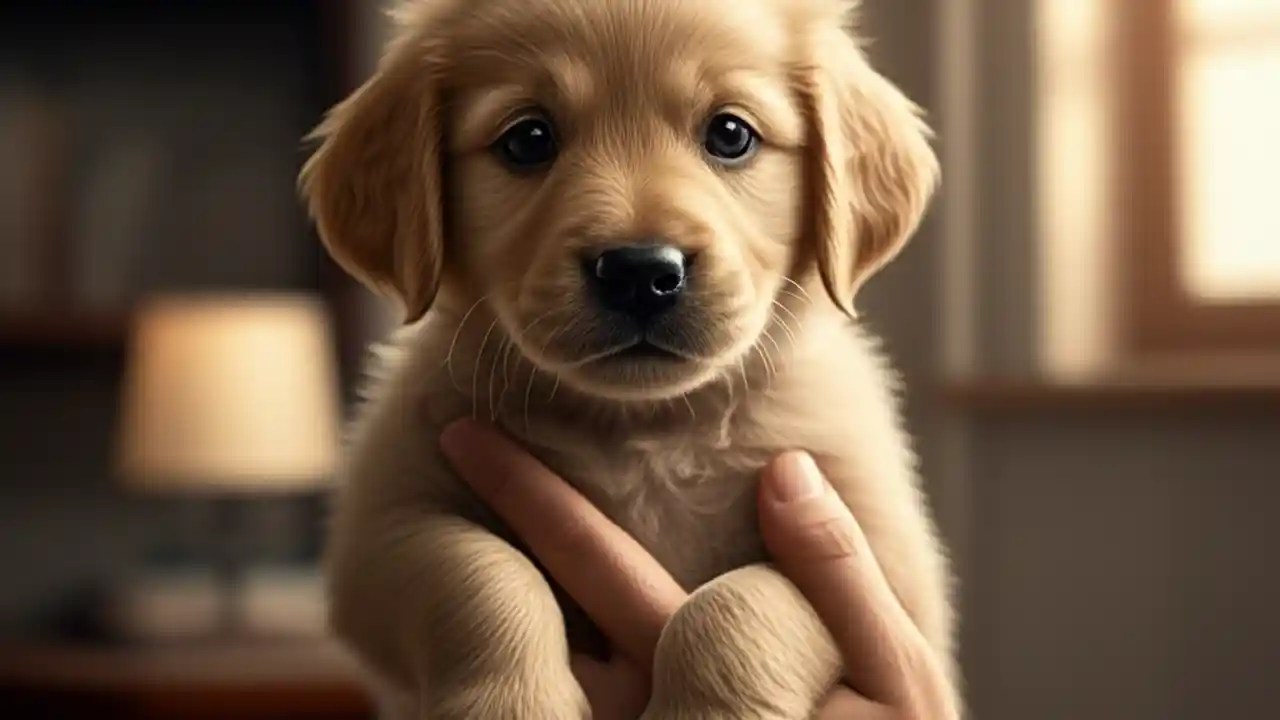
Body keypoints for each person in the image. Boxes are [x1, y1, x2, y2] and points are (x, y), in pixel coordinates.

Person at [441, 420, 959, 720]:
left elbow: (885, 621)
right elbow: (368, 578)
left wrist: (734, 653)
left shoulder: (825, 405)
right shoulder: (446, 391)